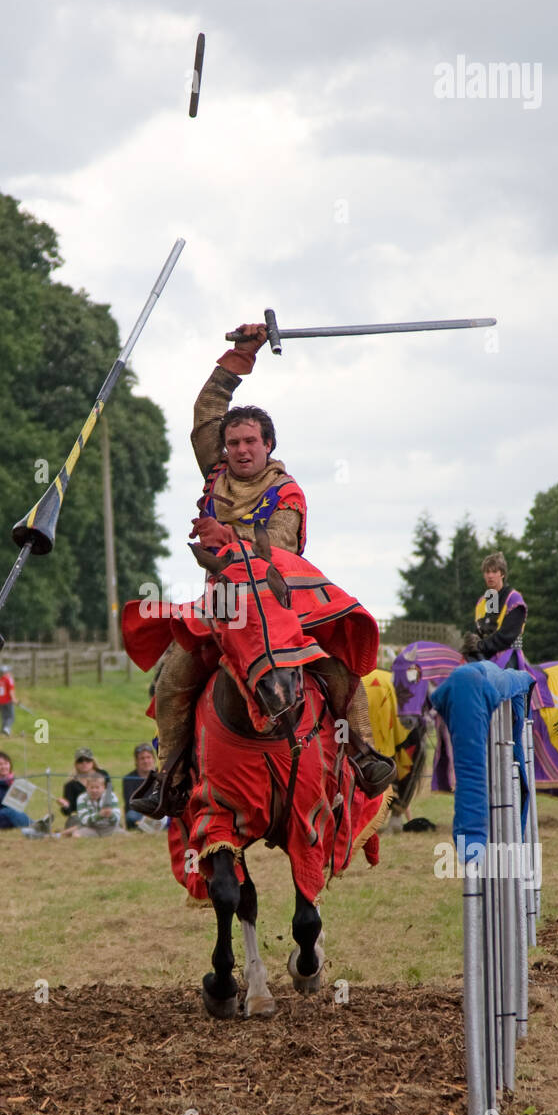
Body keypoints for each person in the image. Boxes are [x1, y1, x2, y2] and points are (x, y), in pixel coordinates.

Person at [132, 322, 390, 817]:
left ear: (268, 444)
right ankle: (171, 774)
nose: (241, 449)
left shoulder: (286, 492)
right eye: (234, 442)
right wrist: (240, 356)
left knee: (339, 665)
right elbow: (206, 411)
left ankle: (363, 753)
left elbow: (277, 552)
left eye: (251, 441)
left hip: (279, 602)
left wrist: (226, 539)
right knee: (173, 678)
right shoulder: (217, 472)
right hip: (223, 605)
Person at [462, 552, 527, 668]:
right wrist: (471, 642)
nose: (490, 576)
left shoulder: (514, 598)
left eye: (494, 572)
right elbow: (482, 630)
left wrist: (480, 645)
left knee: (502, 679)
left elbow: (507, 635)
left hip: (507, 651)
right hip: (485, 651)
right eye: (487, 572)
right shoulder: (483, 601)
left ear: (502, 574)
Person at [0, 751, 50, 836]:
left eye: (6, 763)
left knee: (11, 811)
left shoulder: (13, 784)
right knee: (10, 811)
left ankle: (37, 827)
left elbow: (17, 808)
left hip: (5, 818)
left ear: (10, 765)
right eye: (0, 764)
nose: (3, 767)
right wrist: (11, 822)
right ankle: (36, 826)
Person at [56, 748, 111, 829]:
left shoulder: (103, 774)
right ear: (76, 764)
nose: (84, 763)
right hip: (80, 818)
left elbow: (109, 794)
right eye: (80, 760)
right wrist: (65, 806)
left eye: (88, 760)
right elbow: (68, 812)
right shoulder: (70, 785)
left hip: (102, 814)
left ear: (93, 762)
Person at [122, 742, 167, 833]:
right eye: (142, 758)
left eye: (148, 757)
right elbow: (130, 803)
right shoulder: (128, 779)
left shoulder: (162, 776)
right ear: (136, 761)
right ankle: (148, 826)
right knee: (131, 816)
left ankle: (147, 827)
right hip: (139, 813)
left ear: (154, 759)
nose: (146, 761)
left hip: (158, 812)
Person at [69, 772, 122, 837]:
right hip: (91, 828)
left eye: (97, 787)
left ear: (103, 787)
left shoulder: (111, 796)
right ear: (87, 788)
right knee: (76, 835)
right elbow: (84, 820)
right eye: (92, 787)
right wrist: (99, 815)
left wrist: (111, 815)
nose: (94, 790)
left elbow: (117, 818)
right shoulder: (82, 798)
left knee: (126, 837)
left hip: (110, 827)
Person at [0, 665, 17, 736]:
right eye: (8, 672)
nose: (10, 673)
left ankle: (2, 732)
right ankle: (7, 729)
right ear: (6, 672)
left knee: (4, 717)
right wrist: (14, 699)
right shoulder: (9, 679)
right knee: (11, 717)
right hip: (8, 701)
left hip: (0, 702)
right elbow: (11, 691)